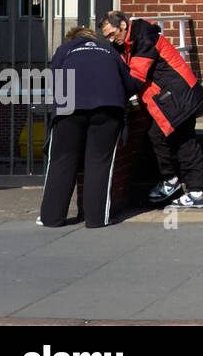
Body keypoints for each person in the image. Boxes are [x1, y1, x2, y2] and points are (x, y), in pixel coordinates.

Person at [100, 11, 203, 209]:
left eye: (112, 33)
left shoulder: (143, 38)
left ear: (123, 26)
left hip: (178, 96)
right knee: (166, 138)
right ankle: (179, 184)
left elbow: (135, 78)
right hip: (171, 97)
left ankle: (192, 190)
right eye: (107, 36)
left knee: (181, 141)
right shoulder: (128, 41)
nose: (111, 39)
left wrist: (113, 95)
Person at [38, 26, 139, 228]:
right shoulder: (109, 51)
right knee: (99, 162)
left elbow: (54, 79)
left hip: (70, 108)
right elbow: (130, 83)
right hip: (108, 108)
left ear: (71, 39)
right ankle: (96, 219)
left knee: (61, 160)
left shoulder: (65, 50)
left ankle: (51, 217)